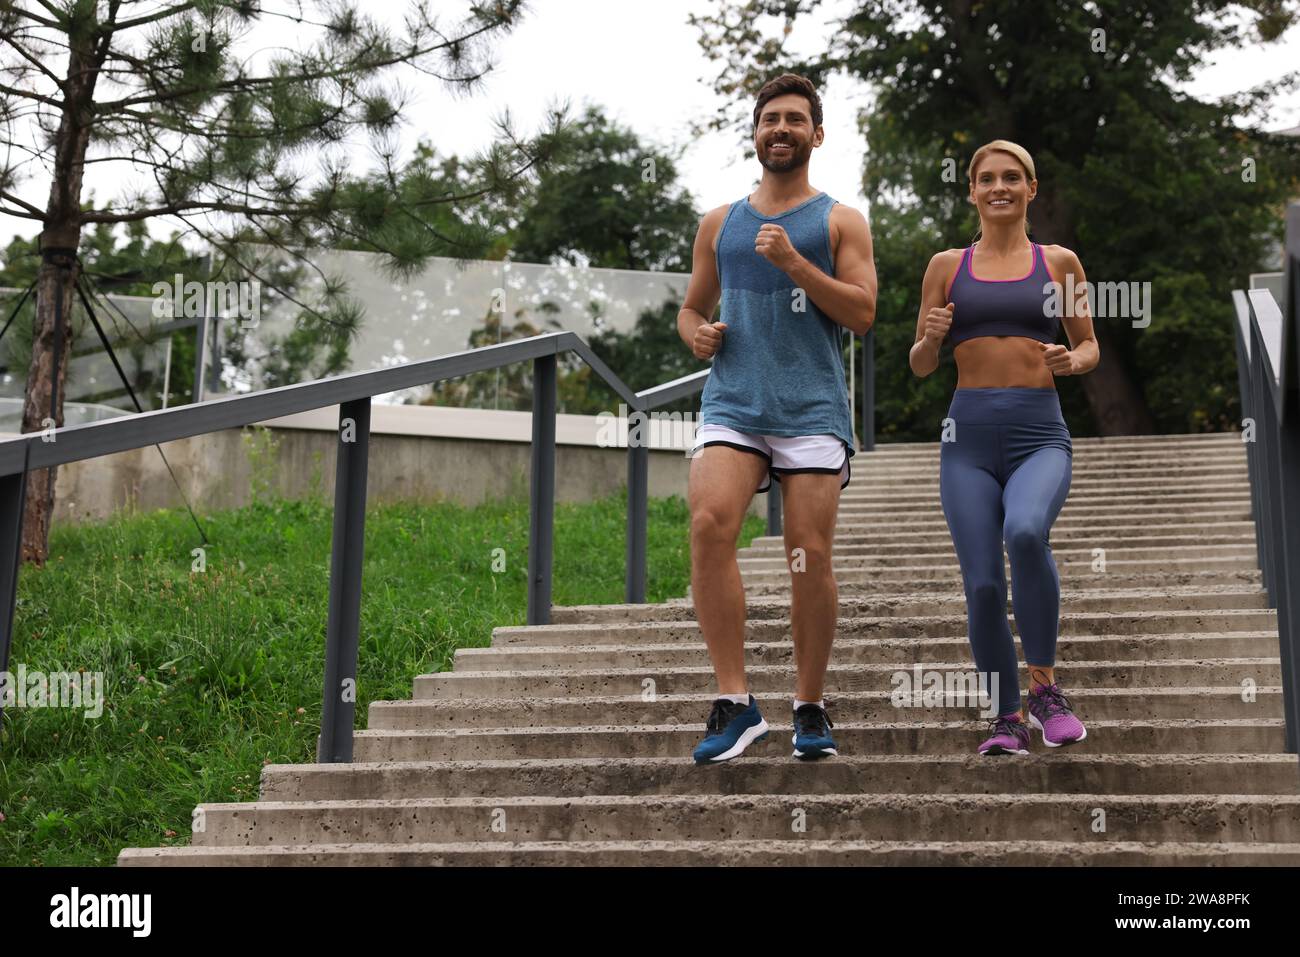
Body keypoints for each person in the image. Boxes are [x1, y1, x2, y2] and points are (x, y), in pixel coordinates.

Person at [676, 73, 876, 763]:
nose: (780, 129)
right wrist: (695, 334)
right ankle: (736, 702)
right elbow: (691, 306)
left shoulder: (840, 220)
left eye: (794, 119)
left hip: (811, 407)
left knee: (808, 554)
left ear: (817, 134)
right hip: (734, 401)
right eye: (769, 119)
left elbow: (863, 312)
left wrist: (794, 261)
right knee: (708, 523)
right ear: (756, 134)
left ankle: (809, 704)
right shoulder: (719, 222)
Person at [910, 139, 1098, 755]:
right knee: (984, 583)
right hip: (965, 441)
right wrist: (932, 339)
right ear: (971, 191)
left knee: (1024, 532)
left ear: (1030, 188)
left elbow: (1090, 345)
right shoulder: (945, 266)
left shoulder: (1060, 263)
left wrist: (1071, 361)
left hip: (1038, 433)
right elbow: (918, 364)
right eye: (987, 178)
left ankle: (1046, 690)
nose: (999, 187)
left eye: (1012, 177)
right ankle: (1006, 717)